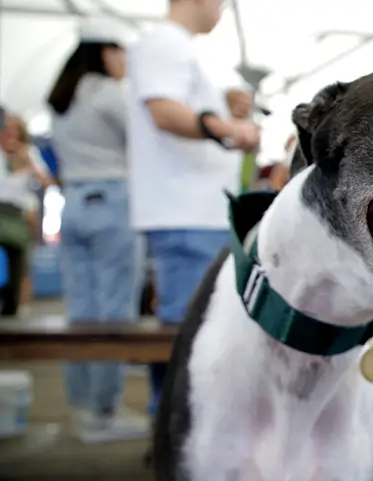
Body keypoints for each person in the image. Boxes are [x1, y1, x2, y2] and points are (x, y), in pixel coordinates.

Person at [126, 0, 260, 430]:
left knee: (193, 325)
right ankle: (177, 430)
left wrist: (222, 111)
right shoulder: (164, 42)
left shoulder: (174, 45)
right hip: (185, 213)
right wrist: (227, 128)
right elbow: (163, 111)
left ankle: (179, 424)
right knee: (187, 328)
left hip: (193, 212)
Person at [47, 19, 150, 442]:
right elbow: (144, 139)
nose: (125, 60)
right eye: (121, 51)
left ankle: (85, 409)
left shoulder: (61, 99)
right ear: (105, 51)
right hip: (113, 201)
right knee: (114, 312)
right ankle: (106, 413)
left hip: (73, 202)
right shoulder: (108, 93)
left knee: (81, 310)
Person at [0, 115, 53, 316]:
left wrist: (27, 161)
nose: (10, 133)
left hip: (19, 212)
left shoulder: (30, 153)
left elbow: (46, 182)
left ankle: (16, 303)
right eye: (7, 128)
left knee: (20, 259)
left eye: (14, 129)